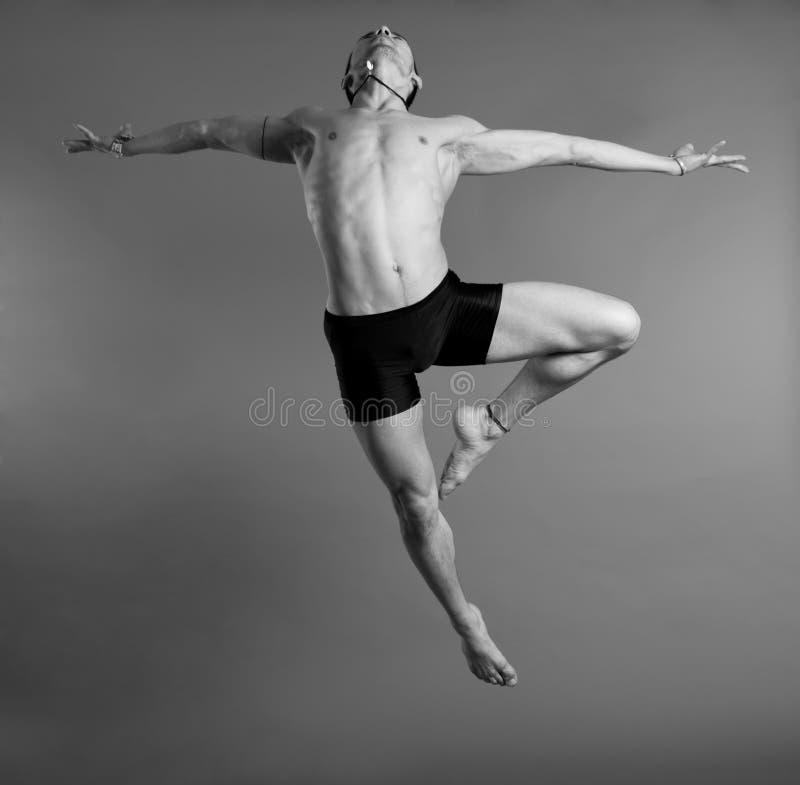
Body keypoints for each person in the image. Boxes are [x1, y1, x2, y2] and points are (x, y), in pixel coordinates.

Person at [62, 24, 748, 688]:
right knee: (415, 503)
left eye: (394, 38)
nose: (384, 29)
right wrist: (127, 149)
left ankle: (490, 423)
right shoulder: (309, 127)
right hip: (366, 345)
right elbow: (209, 131)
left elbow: (565, 147)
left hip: (442, 311)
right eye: (369, 35)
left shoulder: (449, 134)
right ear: (353, 70)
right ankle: (467, 621)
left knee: (617, 325)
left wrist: (674, 165)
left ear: (414, 79)